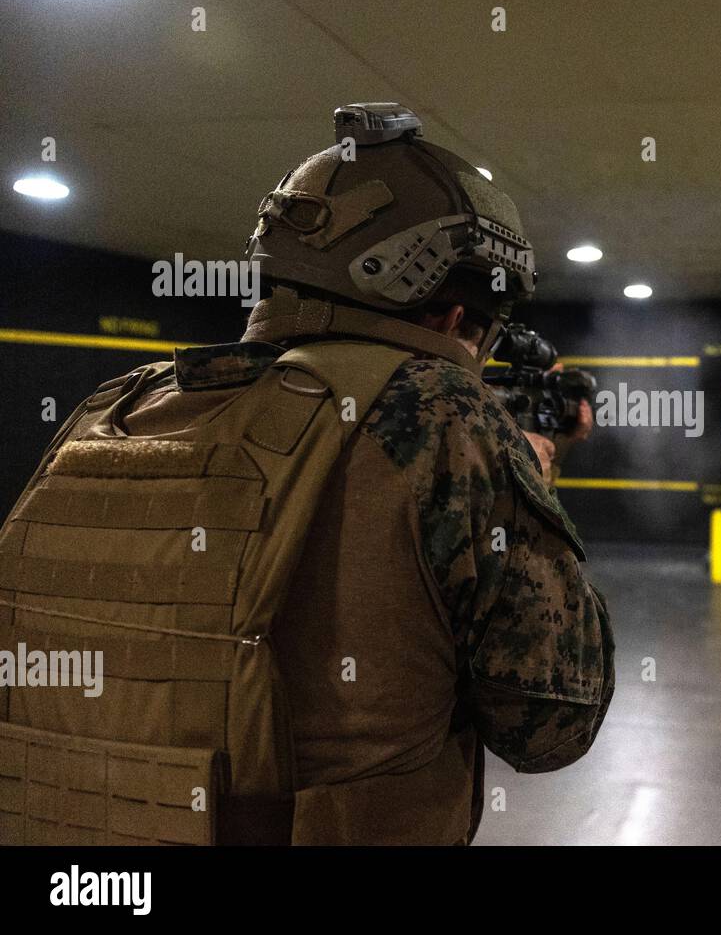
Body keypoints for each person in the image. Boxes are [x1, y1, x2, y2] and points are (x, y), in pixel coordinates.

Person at [0, 103, 614, 845]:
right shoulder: (446, 414)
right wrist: (531, 471)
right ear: (454, 315)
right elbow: (551, 724)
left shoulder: (115, 405)